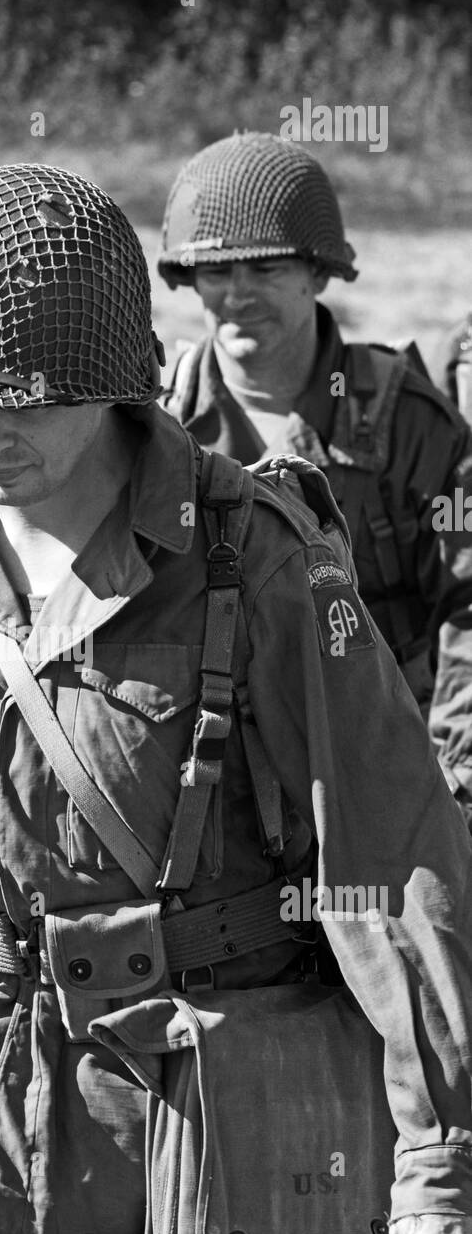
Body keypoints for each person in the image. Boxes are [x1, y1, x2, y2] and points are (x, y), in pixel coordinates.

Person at [0, 162, 472, 1234]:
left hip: (211, 1138)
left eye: (15, 399)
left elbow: (385, 857)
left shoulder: (262, 560)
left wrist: (436, 1163)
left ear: (105, 384)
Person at [157, 131, 472, 824]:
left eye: (265, 269)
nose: (237, 295)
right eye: (216, 273)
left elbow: (467, 606)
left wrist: (456, 778)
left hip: (391, 764)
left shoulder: (406, 421)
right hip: (222, 791)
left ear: (317, 273)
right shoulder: (163, 426)